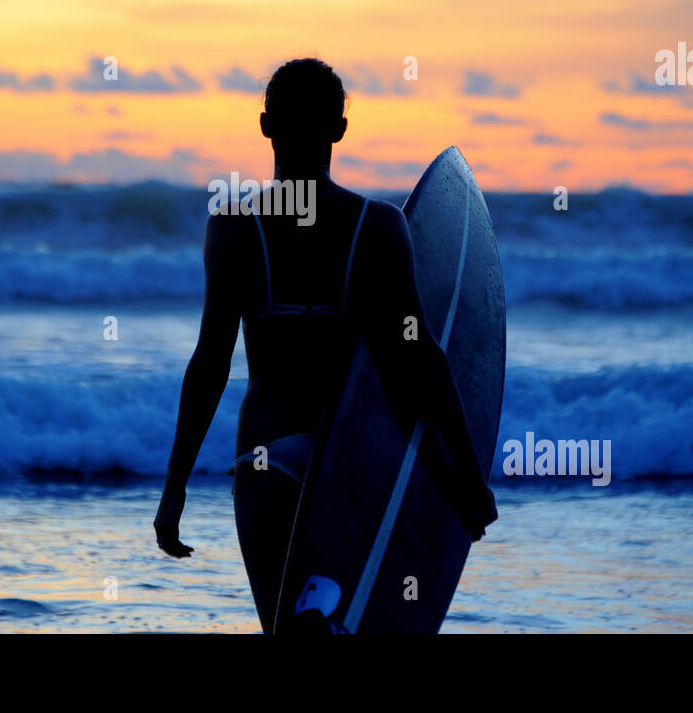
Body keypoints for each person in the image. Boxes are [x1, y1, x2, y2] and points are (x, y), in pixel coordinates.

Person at [153, 58, 496, 632]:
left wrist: (174, 489)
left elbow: (209, 363)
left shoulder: (234, 228)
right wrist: (466, 477)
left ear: (266, 126)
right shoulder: (378, 227)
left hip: (266, 459)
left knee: (284, 631)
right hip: (351, 462)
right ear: (339, 129)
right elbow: (420, 360)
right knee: (349, 625)